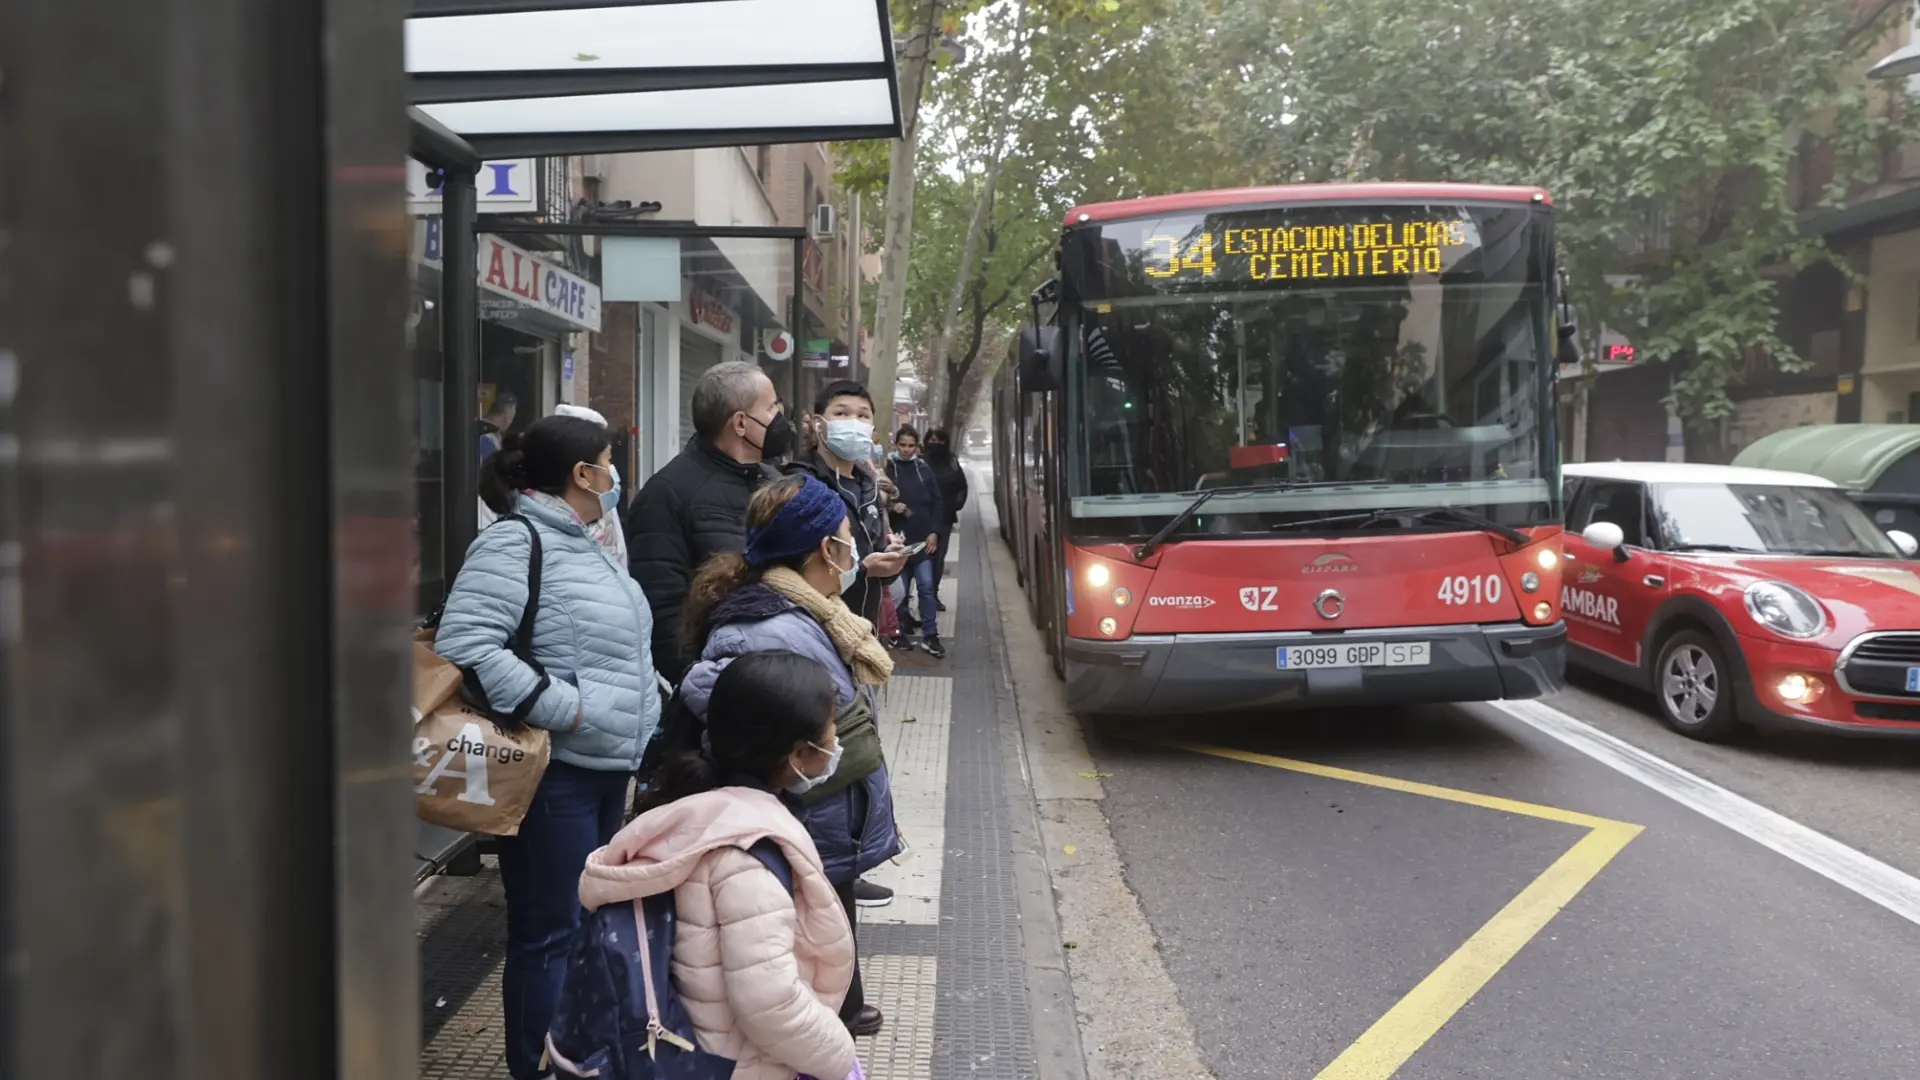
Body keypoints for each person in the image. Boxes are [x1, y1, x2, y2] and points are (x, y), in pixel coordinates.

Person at [433, 413, 662, 1080]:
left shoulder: (582, 539)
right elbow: (468, 645)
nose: (616, 472)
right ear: (582, 473)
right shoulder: (515, 543)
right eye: (609, 460)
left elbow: (605, 643)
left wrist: (655, 696)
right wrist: (564, 706)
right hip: (551, 773)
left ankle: (574, 1058)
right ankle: (538, 1069)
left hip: (601, 766)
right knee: (547, 932)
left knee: (582, 923)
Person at [679, 474, 901, 1038]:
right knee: (802, 927)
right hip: (803, 810)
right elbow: (712, 694)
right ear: (828, 548)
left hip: (821, 812)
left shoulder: (815, 609)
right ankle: (826, 1024)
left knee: (830, 911)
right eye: (848, 537)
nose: (854, 548)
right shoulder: (764, 624)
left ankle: (843, 1009)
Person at [579, 651, 862, 1080]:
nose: (836, 739)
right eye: (831, 727)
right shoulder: (748, 858)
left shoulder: (694, 813)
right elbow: (770, 1005)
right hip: (739, 1065)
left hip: (691, 1044)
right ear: (798, 754)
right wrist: (841, 1059)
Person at [626, 360, 791, 681]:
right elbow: (663, 613)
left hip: (784, 674)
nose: (781, 419)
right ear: (741, 423)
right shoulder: (667, 494)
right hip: (721, 685)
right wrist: (703, 683)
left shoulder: (775, 482)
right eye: (773, 408)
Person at [786, 379, 907, 626]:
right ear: (819, 424)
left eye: (863, 416)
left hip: (864, 633)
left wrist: (888, 558)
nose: (854, 422)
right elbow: (791, 576)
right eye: (841, 413)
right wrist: (864, 570)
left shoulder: (868, 485)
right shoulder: (799, 485)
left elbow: (875, 562)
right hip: (816, 633)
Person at [884, 425, 947, 659]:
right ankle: (898, 631)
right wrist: (891, 505)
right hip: (898, 543)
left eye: (911, 446)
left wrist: (934, 532)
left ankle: (931, 634)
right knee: (899, 592)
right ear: (896, 445)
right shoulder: (888, 470)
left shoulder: (923, 469)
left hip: (923, 541)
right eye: (903, 445)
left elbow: (937, 503)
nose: (907, 450)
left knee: (927, 588)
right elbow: (875, 502)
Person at [921, 428, 968, 611]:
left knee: (938, 559)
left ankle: (932, 595)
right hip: (922, 518)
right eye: (932, 440)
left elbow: (962, 487)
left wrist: (954, 505)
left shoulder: (952, 462)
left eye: (940, 441)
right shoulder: (921, 463)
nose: (936, 445)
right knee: (920, 559)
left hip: (945, 518)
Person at [478, 390, 517, 464]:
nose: (510, 423)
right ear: (507, 415)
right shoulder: (485, 439)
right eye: (512, 418)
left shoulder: (489, 433)